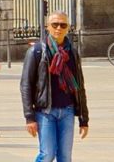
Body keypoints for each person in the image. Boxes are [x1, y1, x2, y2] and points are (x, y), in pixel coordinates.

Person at [21, 11, 90, 161]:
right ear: (48, 27)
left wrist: (84, 119)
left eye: (63, 25)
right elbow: (26, 85)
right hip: (45, 112)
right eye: (55, 24)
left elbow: (79, 86)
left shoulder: (72, 53)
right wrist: (29, 117)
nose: (59, 28)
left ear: (68, 28)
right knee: (47, 154)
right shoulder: (36, 52)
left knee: (65, 157)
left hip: (67, 111)